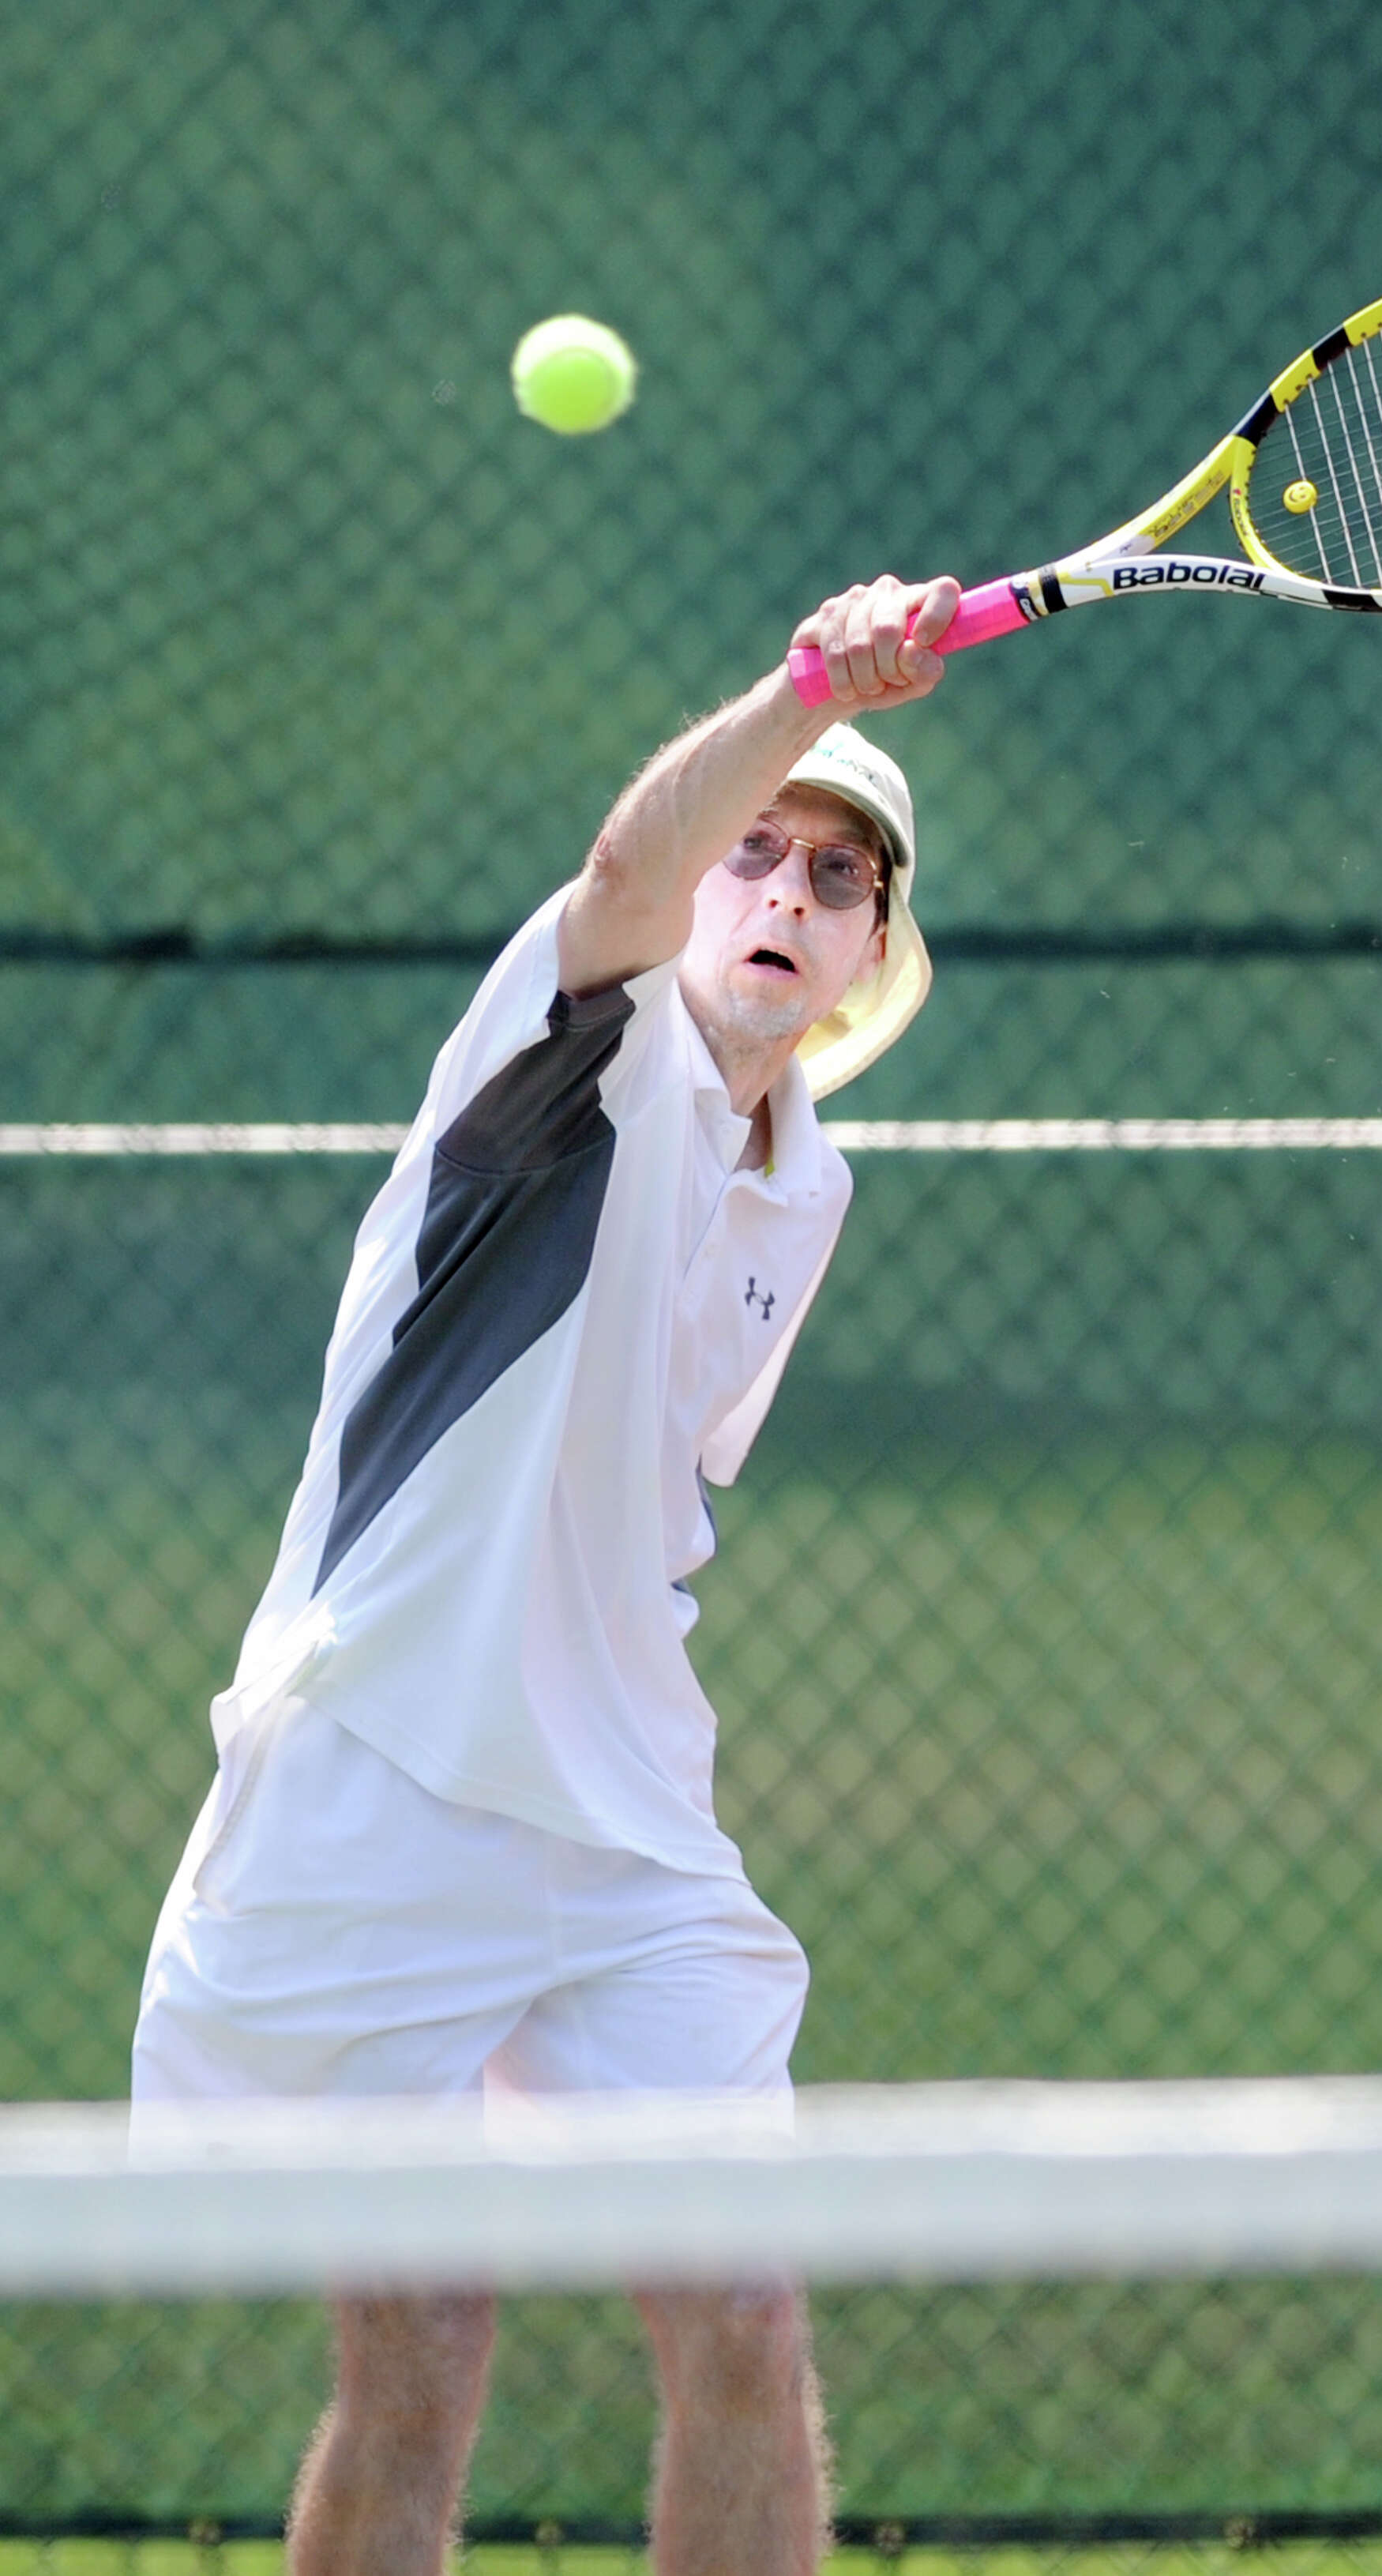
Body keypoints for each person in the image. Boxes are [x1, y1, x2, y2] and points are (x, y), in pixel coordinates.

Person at [131, 571, 963, 2576]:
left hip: (625, 1824)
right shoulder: (564, 1055)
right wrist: (802, 694)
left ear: (863, 954)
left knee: (749, 2320)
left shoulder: (806, 1180)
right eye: (755, 850)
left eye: (834, 875)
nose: (781, 884)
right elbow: (623, 859)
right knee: (422, 2344)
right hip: (379, 1779)